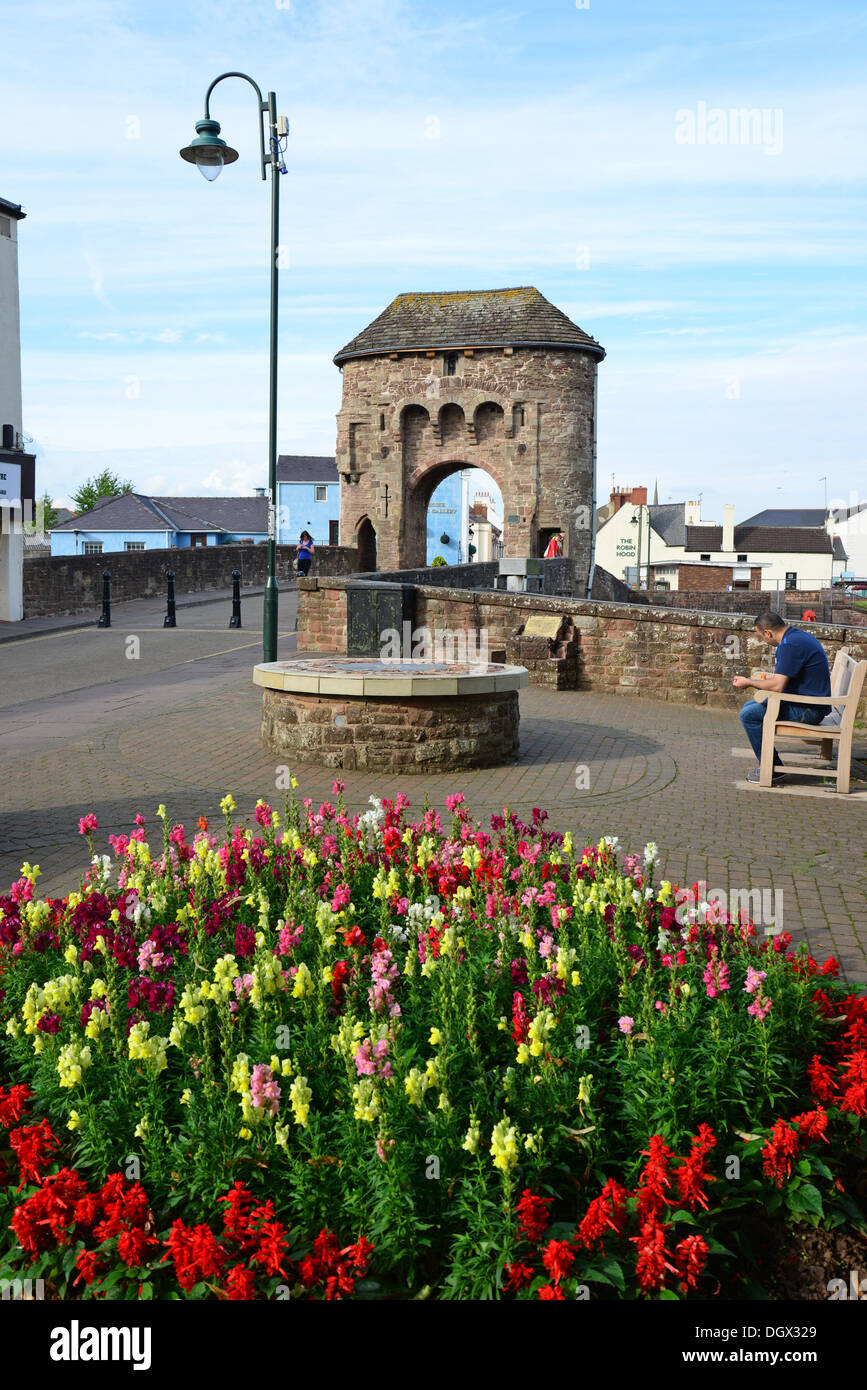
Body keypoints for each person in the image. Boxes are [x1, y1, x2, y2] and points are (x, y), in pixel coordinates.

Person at [733, 611, 831, 786]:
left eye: (761, 636)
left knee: (748, 715)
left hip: (810, 709)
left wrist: (749, 682)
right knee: (751, 706)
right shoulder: (795, 636)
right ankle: (771, 764)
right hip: (809, 702)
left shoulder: (789, 645)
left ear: (768, 633)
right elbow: (783, 678)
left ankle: (771, 769)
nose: (764, 640)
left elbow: (778, 685)